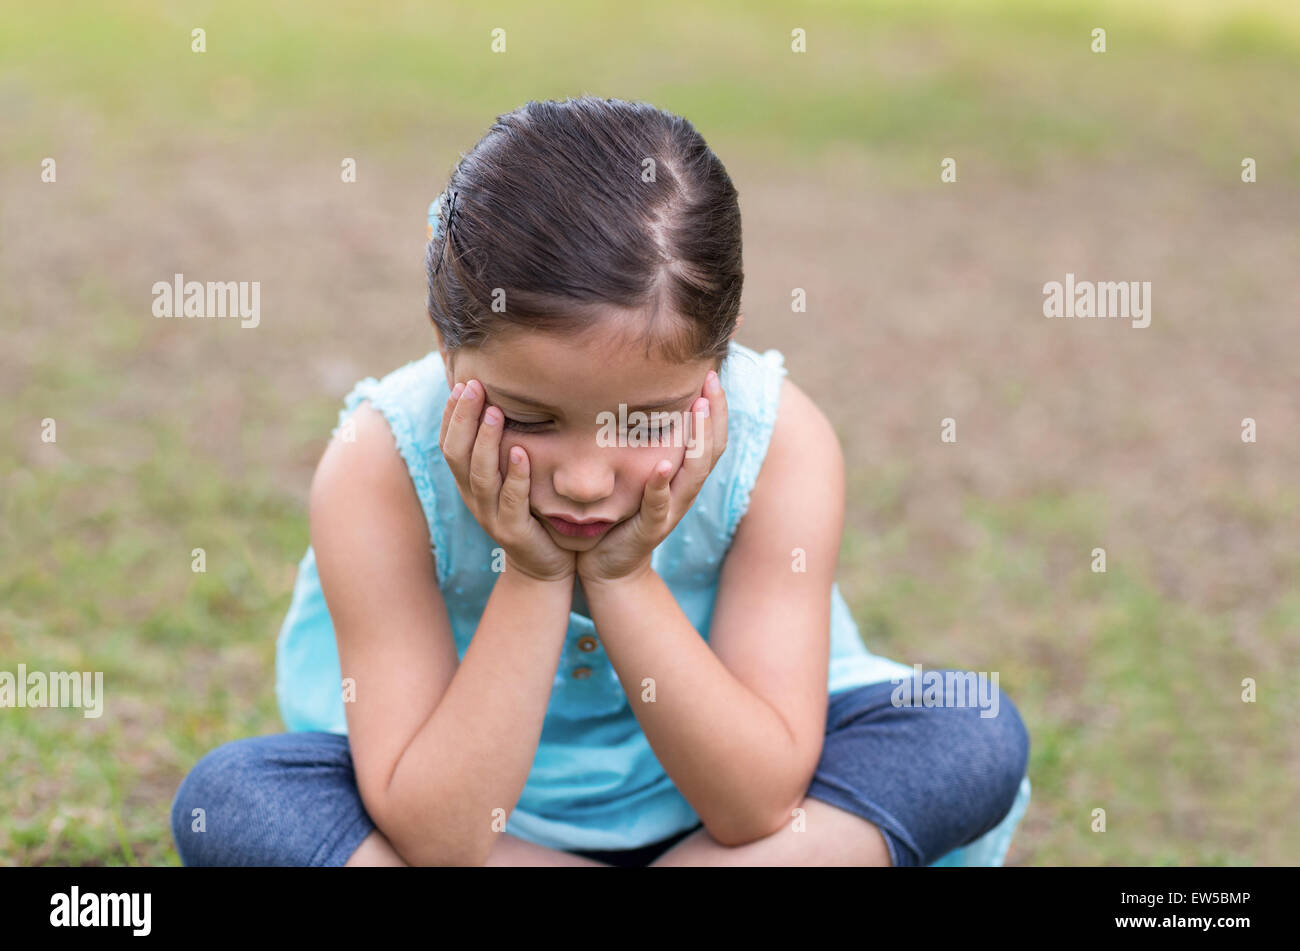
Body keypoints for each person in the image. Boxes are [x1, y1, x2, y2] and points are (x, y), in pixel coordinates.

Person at [170, 95, 1030, 867]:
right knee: (238, 798)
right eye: (530, 418)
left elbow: (755, 804)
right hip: (481, 831)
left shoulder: (781, 443)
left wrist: (621, 576)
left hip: (738, 832)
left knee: (969, 729)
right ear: (447, 348)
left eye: (647, 422)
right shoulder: (380, 463)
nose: (583, 482)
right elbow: (441, 838)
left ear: (716, 363)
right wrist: (536, 574)